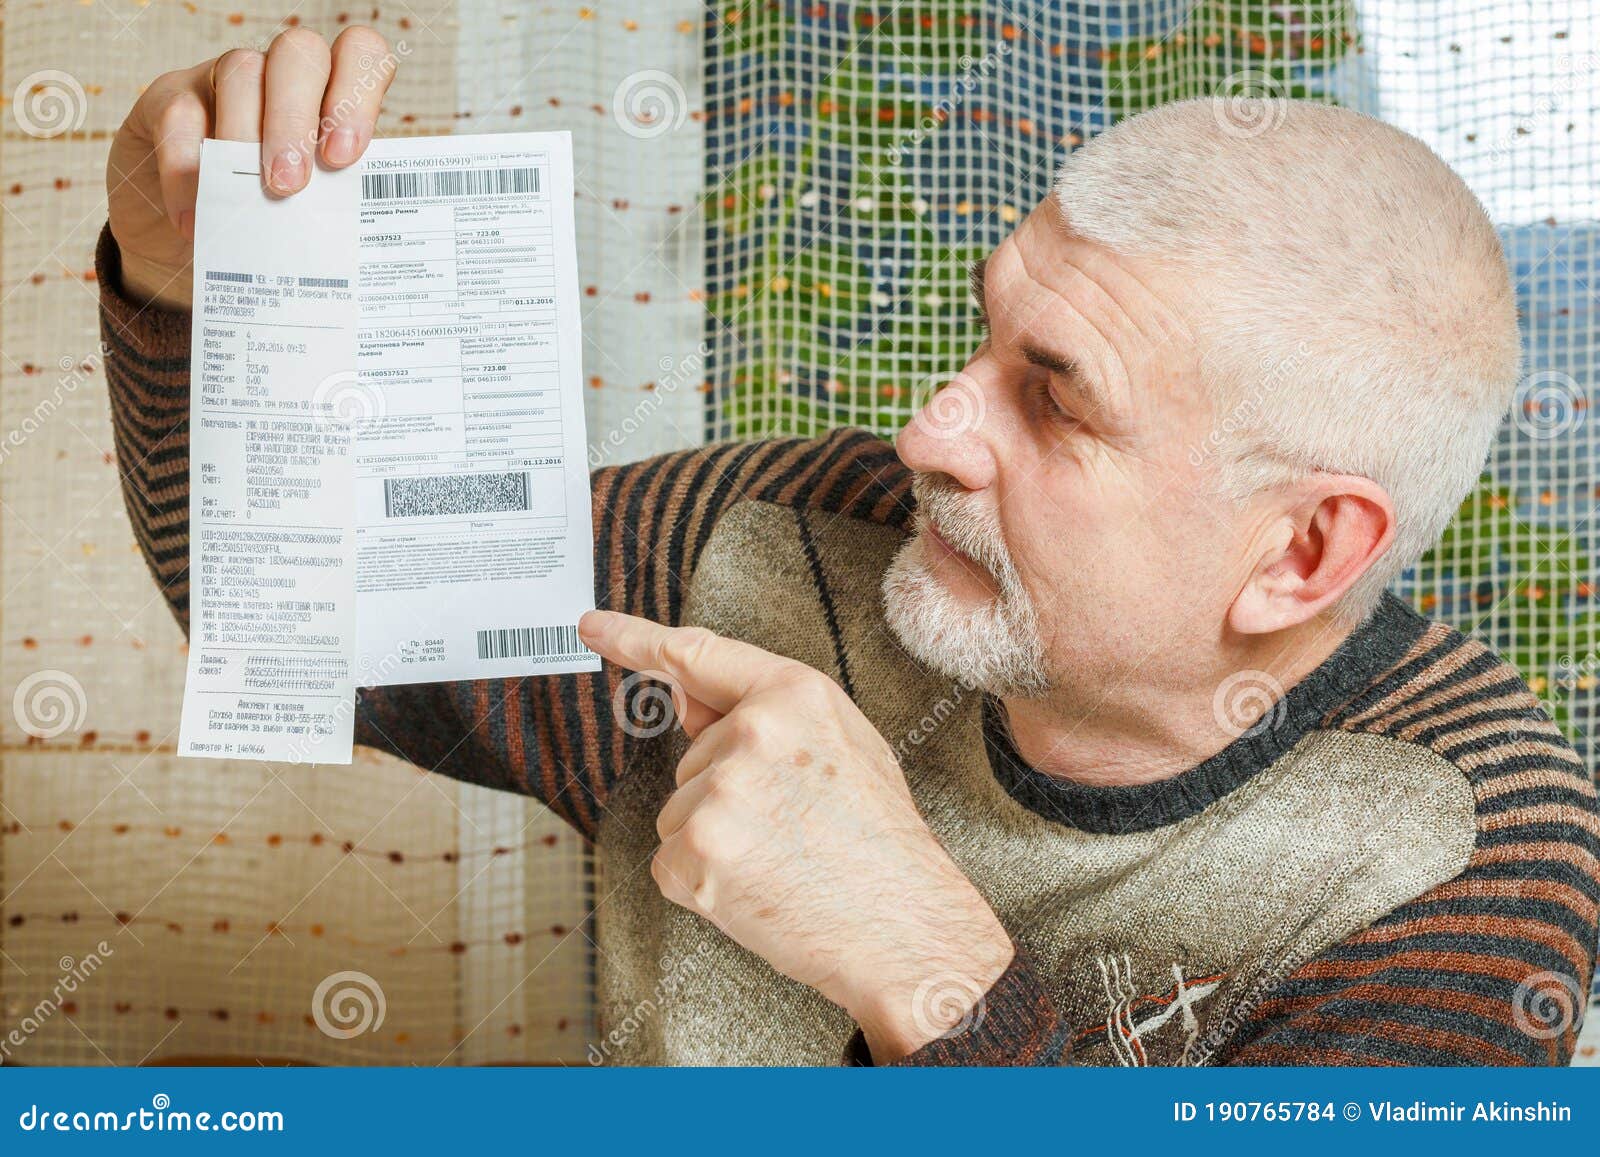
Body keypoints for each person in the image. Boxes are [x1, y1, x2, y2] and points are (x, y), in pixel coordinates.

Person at [101, 27, 1597, 1066]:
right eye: (988, 335)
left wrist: (929, 970)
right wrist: (176, 275)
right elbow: (299, 620)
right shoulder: (767, 544)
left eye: (1057, 399)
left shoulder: (1469, 855)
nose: (930, 430)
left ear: (1304, 551)